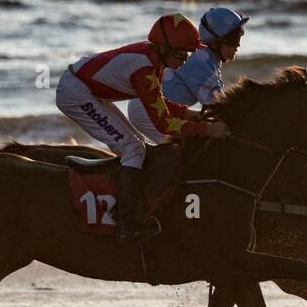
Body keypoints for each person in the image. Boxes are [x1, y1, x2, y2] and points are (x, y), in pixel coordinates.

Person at [55, 14, 230, 240]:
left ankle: (124, 207)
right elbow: (163, 123)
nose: (185, 60)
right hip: (76, 93)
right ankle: (125, 224)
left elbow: (159, 103)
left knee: (138, 147)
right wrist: (205, 130)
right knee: (133, 148)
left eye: (188, 54)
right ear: (163, 48)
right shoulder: (145, 68)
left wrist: (190, 114)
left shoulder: (152, 59)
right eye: (180, 53)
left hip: (88, 89)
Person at [127, 7, 248, 142]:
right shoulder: (202, 61)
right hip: (149, 109)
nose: (238, 45)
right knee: (181, 150)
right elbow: (216, 104)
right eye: (233, 39)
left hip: (153, 107)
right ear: (215, 41)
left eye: (239, 37)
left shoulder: (207, 57)